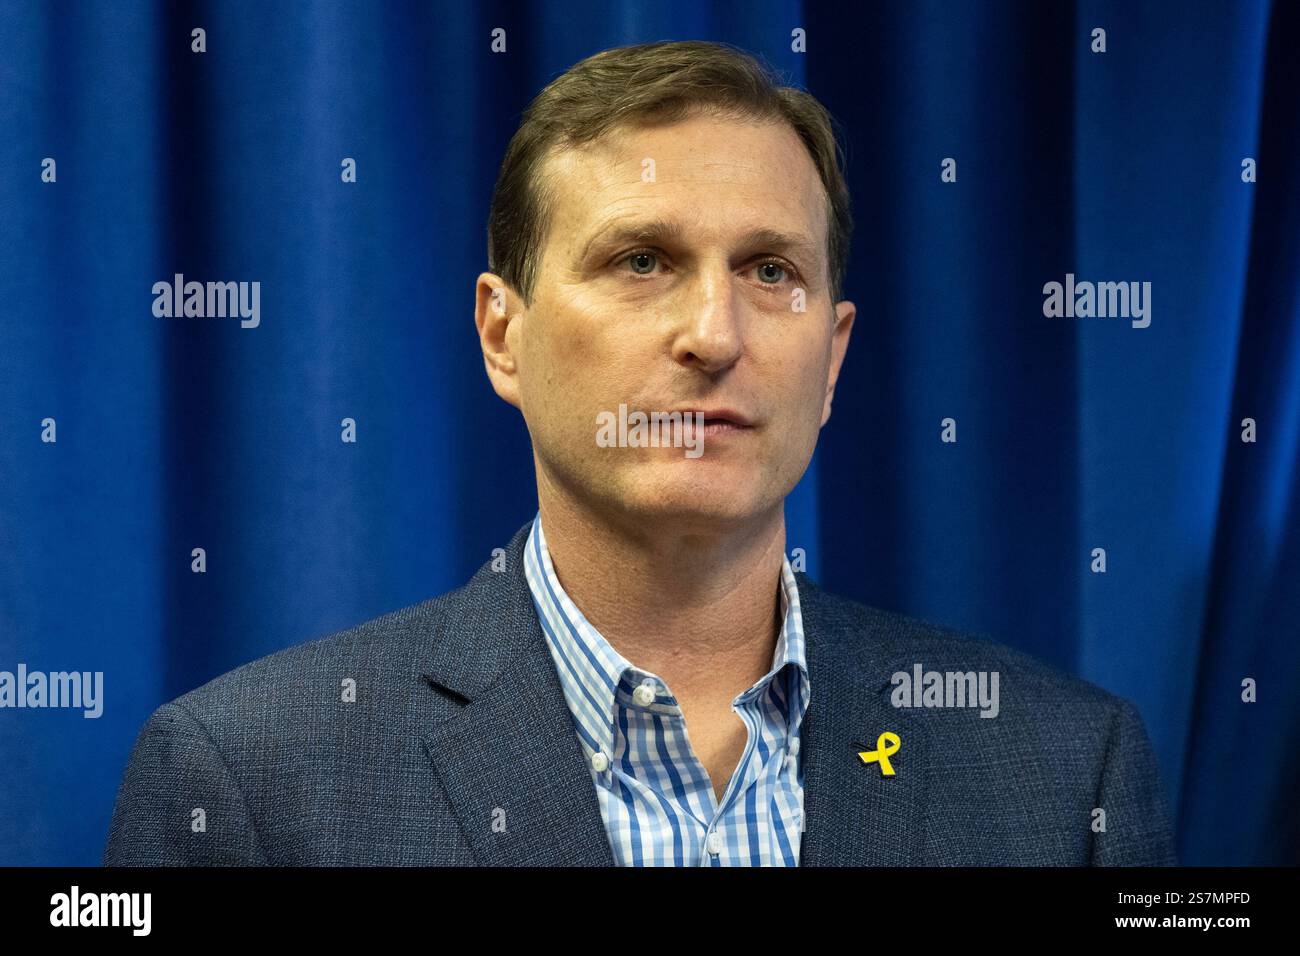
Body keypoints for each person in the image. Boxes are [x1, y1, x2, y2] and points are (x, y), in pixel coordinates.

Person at [104, 40, 1177, 867]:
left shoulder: (1065, 772)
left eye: (768, 270)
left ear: (834, 353)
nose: (713, 332)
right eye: (641, 258)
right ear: (501, 334)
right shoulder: (247, 779)